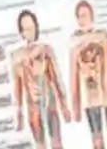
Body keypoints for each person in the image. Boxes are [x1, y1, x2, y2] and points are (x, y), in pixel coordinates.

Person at [68, 1, 107, 149]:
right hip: (90, 97)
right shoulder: (75, 41)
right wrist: (75, 104)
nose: (83, 19)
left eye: (86, 15)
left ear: (92, 16)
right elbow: (73, 74)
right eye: (80, 16)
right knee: (97, 137)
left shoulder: (102, 36)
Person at [11, 10, 70, 149]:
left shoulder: (45, 50)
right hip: (33, 107)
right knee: (40, 144)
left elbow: (56, 79)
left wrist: (64, 105)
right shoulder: (17, 57)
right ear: (21, 32)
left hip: (50, 102)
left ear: (36, 27)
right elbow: (17, 89)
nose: (30, 32)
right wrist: (18, 115)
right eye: (26, 29)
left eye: (32, 28)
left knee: (56, 142)